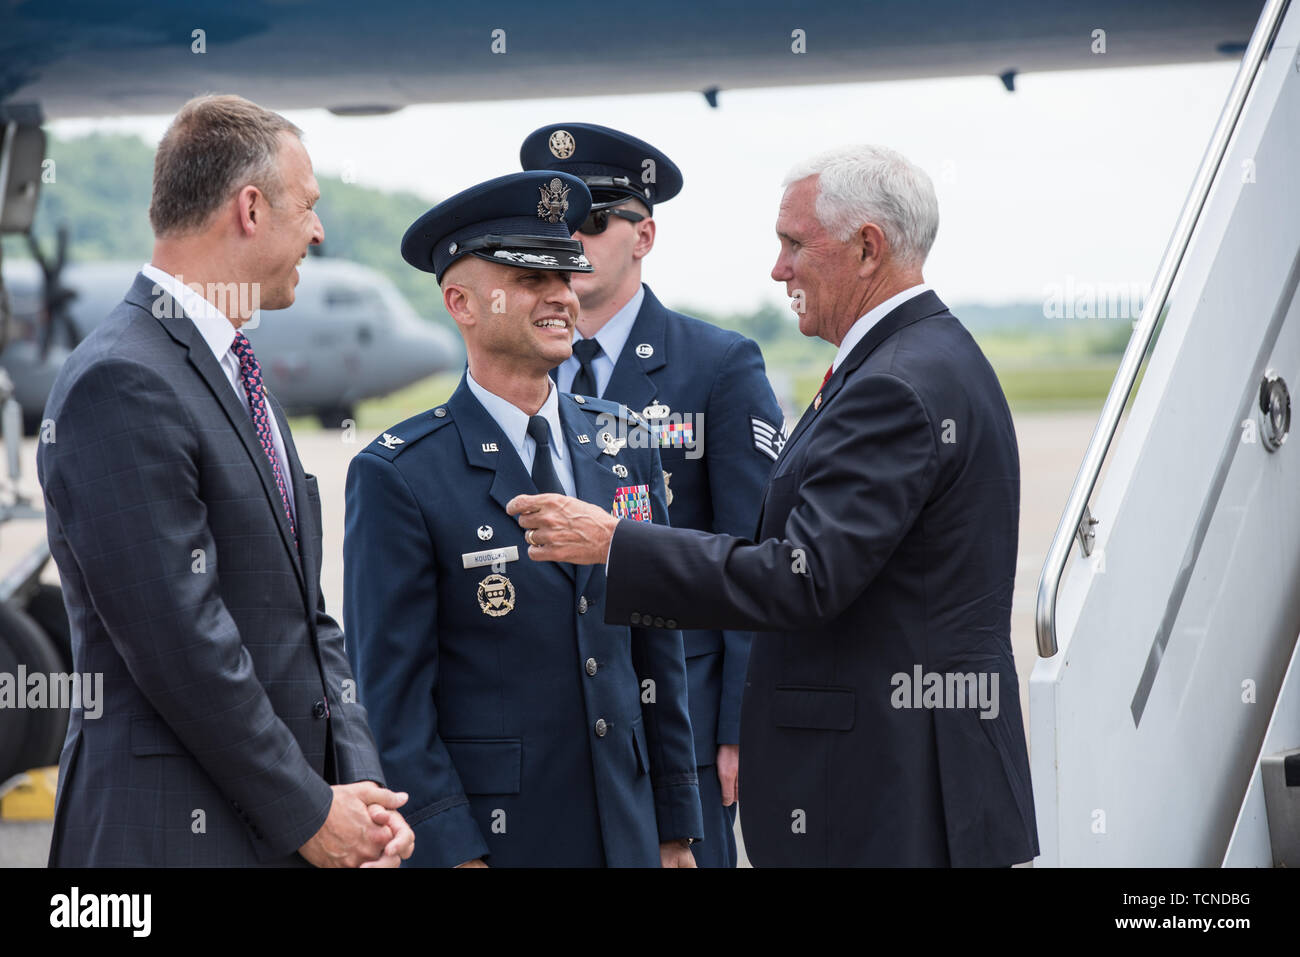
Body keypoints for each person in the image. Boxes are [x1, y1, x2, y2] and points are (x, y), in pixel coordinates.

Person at [508, 144, 1040, 867]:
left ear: (866, 248)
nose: (778, 268)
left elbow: (802, 576)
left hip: (891, 789)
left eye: (794, 244)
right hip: (917, 774)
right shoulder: (923, 357)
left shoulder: (894, 384)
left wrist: (616, 543)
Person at [36, 94, 413, 867]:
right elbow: (183, 644)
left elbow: (310, 620)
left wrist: (363, 792)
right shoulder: (122, 378)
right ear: (249, 208)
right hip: (166, 838)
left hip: (274, 824)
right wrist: (311, 812)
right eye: (307, 207)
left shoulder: (236, 374)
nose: (318, 230)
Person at [343, 170, 702, 867]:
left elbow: (661, 654)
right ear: (462, 302)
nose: (560, 297)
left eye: (566, 276)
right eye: (530, 277)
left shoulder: (622, 440)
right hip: (505, 841)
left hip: (629, 831)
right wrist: (452, 850)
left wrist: (675, 825)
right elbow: (395, 701)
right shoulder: (400, 474)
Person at [519, 123, 784, 867]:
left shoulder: (718, 366)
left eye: (594, 220)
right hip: (557, 724)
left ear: (645, 236)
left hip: (683, 726)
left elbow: (751, 557)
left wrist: (737, 724)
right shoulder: (521, 366)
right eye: (556, 222)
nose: (573, 238)